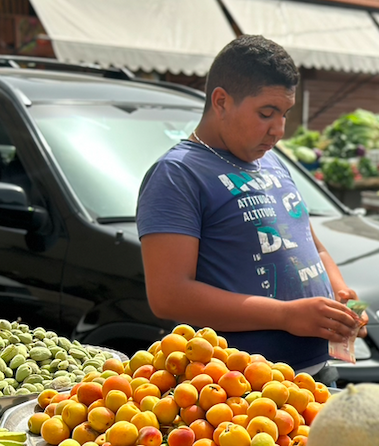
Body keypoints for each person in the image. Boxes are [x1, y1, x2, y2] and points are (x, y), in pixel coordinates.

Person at [137, 36, 362, 379]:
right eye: (266, 113)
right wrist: (286, 315)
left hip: (313, 375)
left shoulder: (271, 162)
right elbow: (169, 295)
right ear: (221, 102)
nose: (279, 130)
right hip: (239, 390)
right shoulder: (177, 173)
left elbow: (312, 246)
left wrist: (341, 296)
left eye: (284, 114)